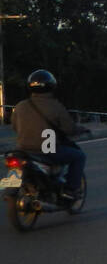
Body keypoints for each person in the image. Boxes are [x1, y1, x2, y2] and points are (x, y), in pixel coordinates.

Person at [11, 69, 87, 203]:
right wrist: (81, 130)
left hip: (22, 150)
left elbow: (14, 127)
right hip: (47, 150)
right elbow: (69, 129)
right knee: (79, 156)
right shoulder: (55, 106)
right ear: (51, 86)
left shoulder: (20, 106)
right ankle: (70, 190)